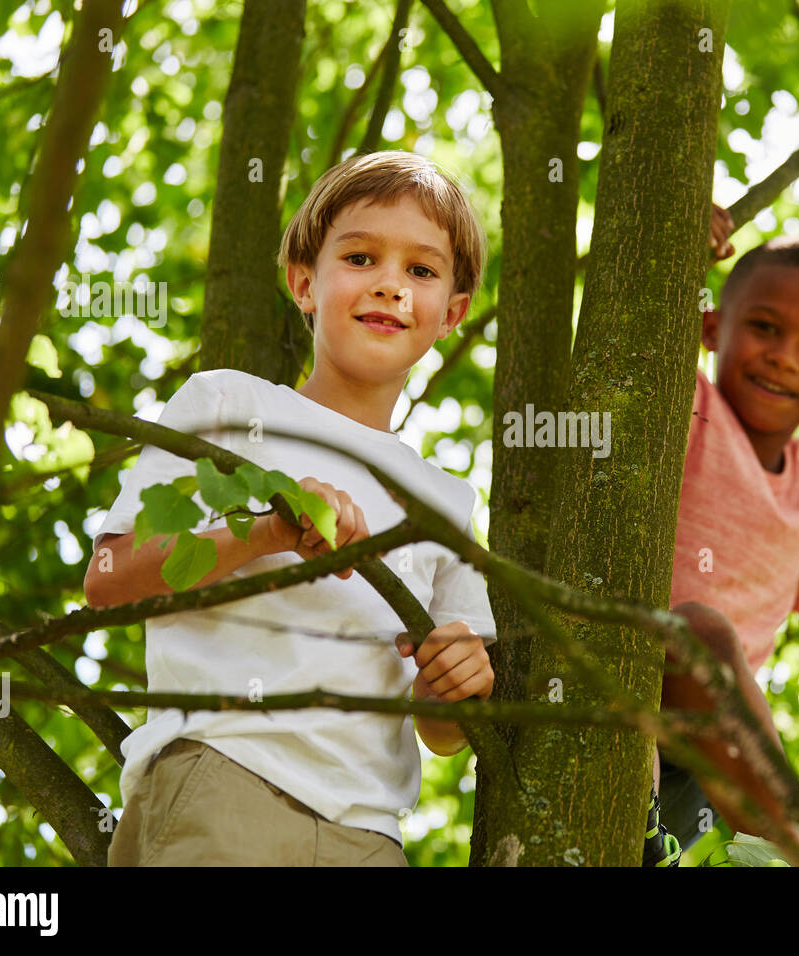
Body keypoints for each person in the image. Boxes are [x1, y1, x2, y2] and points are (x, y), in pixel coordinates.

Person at [85, 151, 496, 866]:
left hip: (370, 835)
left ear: (451, 313)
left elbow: (447, 732)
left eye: (421, 271)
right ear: (304, 283)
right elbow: (109, 577)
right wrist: (267, 530)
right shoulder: (229, 406)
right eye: (362, 257)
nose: (391, 286)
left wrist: (456, 682)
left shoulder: (447, 502)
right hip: (225, 775)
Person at [643, 227, 799, 866]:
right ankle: (791, 855)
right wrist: (683, 238)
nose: (784, 356)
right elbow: (637, 326)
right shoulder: (683, 403)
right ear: (712, 328)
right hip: (620, 681)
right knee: (694, 630)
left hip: (707, 761)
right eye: (765, 328)